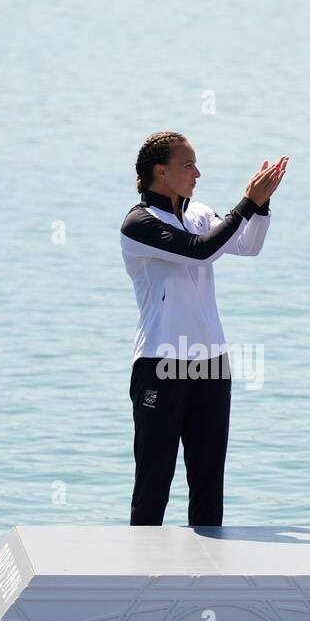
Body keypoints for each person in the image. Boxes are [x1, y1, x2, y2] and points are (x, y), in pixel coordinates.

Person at [120, 132, 288, 526]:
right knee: (154, 480)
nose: (198, 172)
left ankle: (210, 578)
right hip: (160, 364)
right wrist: (246, 202)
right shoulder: (139, 223)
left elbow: (247, 245)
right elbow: (200, 250)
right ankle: (141, 577)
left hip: (211, 363)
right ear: (161, 172)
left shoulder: (199, 212)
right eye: (188, 165)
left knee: (208, 480)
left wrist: (260, 206)